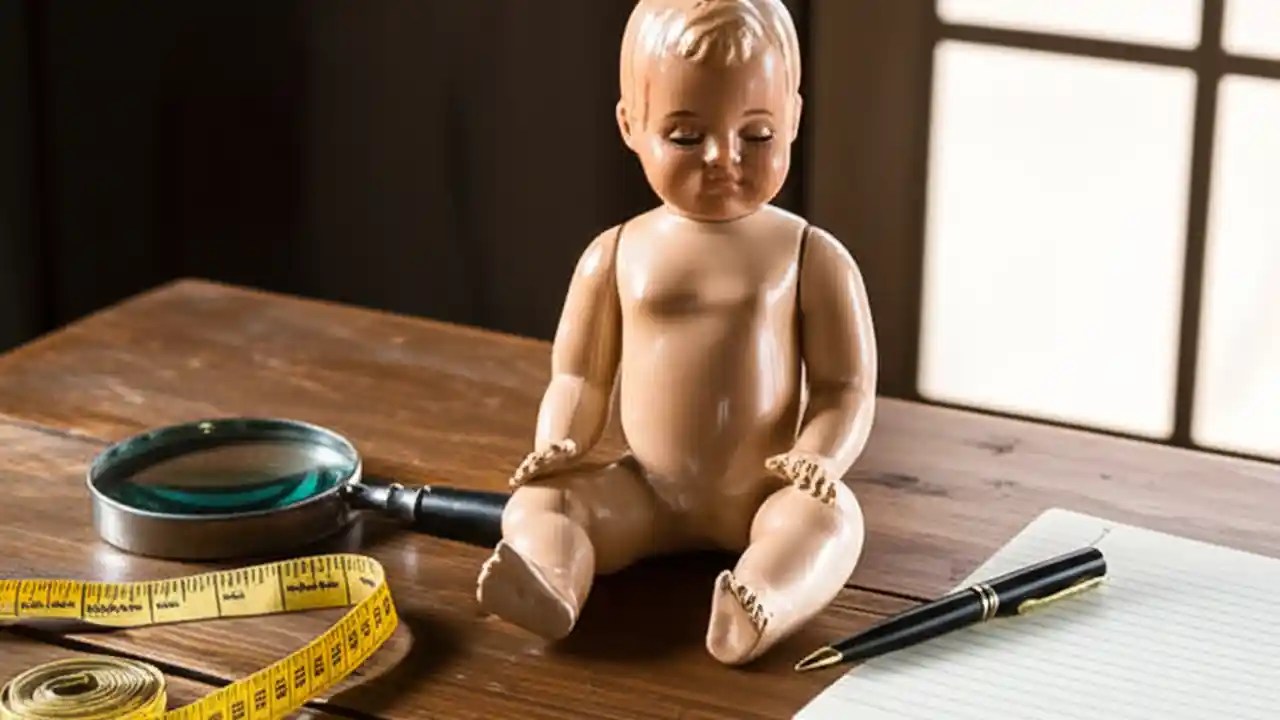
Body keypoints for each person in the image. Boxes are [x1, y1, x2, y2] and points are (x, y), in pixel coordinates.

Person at [475, 0, 877, 666]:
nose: (724, 157)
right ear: (631, 125)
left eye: (757, 134)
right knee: (542, 503)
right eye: (687, 137)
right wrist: (561, 439)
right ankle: (551, 582)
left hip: (764, 492)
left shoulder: (809, 255)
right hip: (647, 493)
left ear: (795, 119)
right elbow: (579, 376)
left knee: (831, 520)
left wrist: (821, 459)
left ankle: (760, 600)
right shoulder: (615, 253)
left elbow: (846, 386)